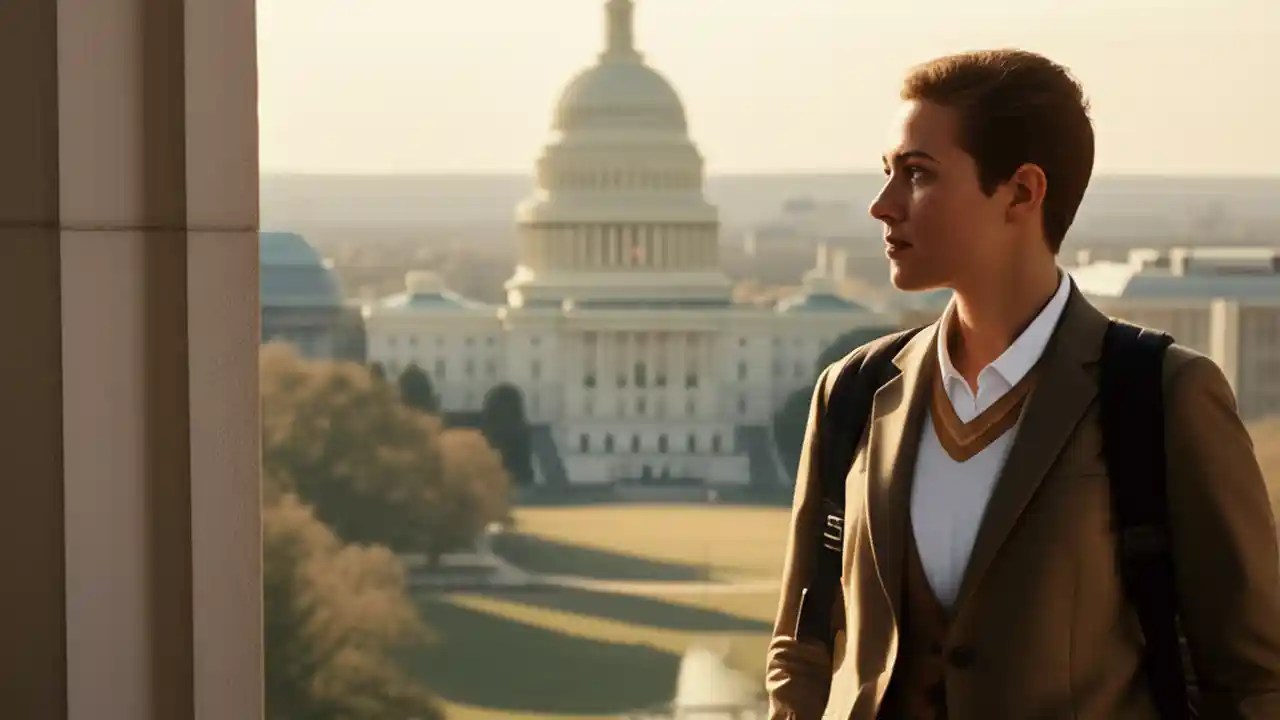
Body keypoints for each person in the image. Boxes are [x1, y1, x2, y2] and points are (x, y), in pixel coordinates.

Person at [765, 49, 1280, 719]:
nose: (882, 205)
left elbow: (1253, 678)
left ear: (1021, 192)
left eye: (917, 174)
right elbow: (801, 648)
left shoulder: (1162, 394)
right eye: (888, 172)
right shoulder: (855, 392)